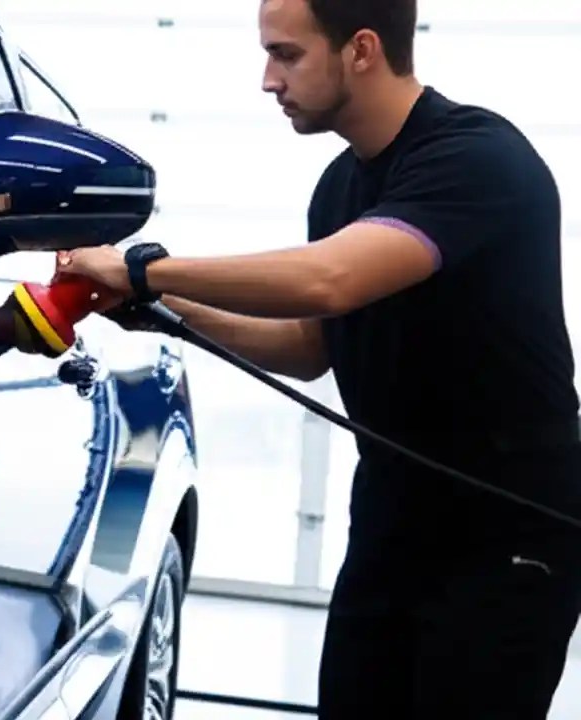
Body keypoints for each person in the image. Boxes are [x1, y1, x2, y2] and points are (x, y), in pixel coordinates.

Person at [56, 0, 581, 718]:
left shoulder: (476, 159)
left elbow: (330, 279)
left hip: (507, 529)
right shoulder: (340, 187)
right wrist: (161, 309)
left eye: (287, 54)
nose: (268, 79)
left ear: (360, 49)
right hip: (393, 514)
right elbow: (309, 346)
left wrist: (144, 270)